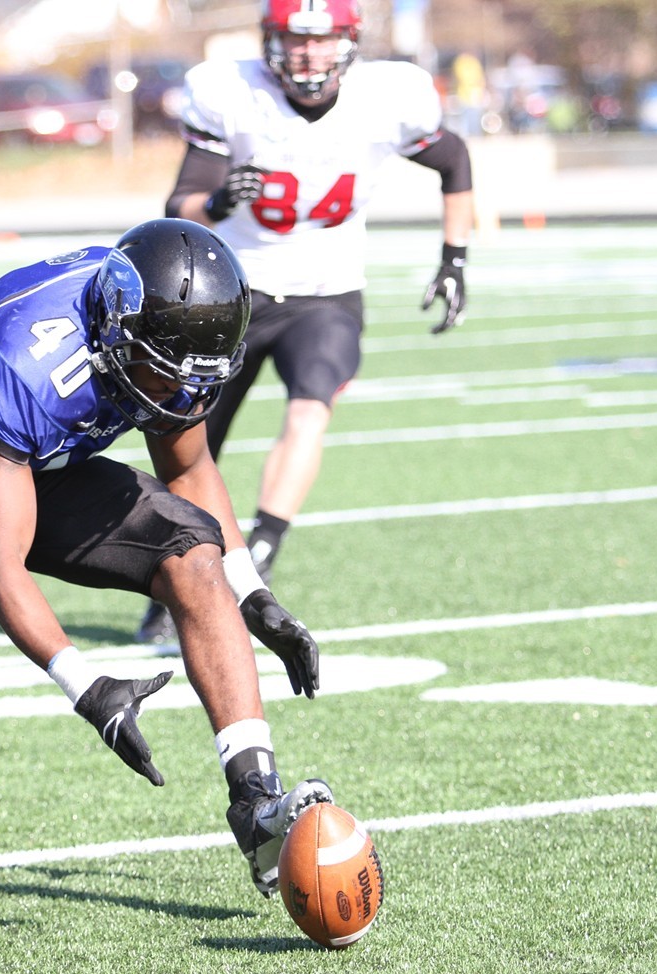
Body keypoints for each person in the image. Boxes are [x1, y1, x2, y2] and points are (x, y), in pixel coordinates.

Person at [0, 218, 333, 901]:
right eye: (166, 378)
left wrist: (254, 597)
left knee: (194, 552)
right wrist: (87, 687)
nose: (181, 399)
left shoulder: (159, 327)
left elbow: (191, 470)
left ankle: (256, 802)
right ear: (115, 332)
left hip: (47, 459)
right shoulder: (29, 361)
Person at [137, 0, 475, 644]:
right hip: (232, 297)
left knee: (310, 409)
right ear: (272, 42)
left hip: (327, 292)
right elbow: (179, 204)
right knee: (190, 449)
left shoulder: (388, 97)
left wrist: (454, 258)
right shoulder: (229, 92)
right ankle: (169, 583)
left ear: (349, 44)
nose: (309, 55)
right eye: (296, 39)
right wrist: (217, 199)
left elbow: (454, 161)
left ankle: (262, 546)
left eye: (323, 41)